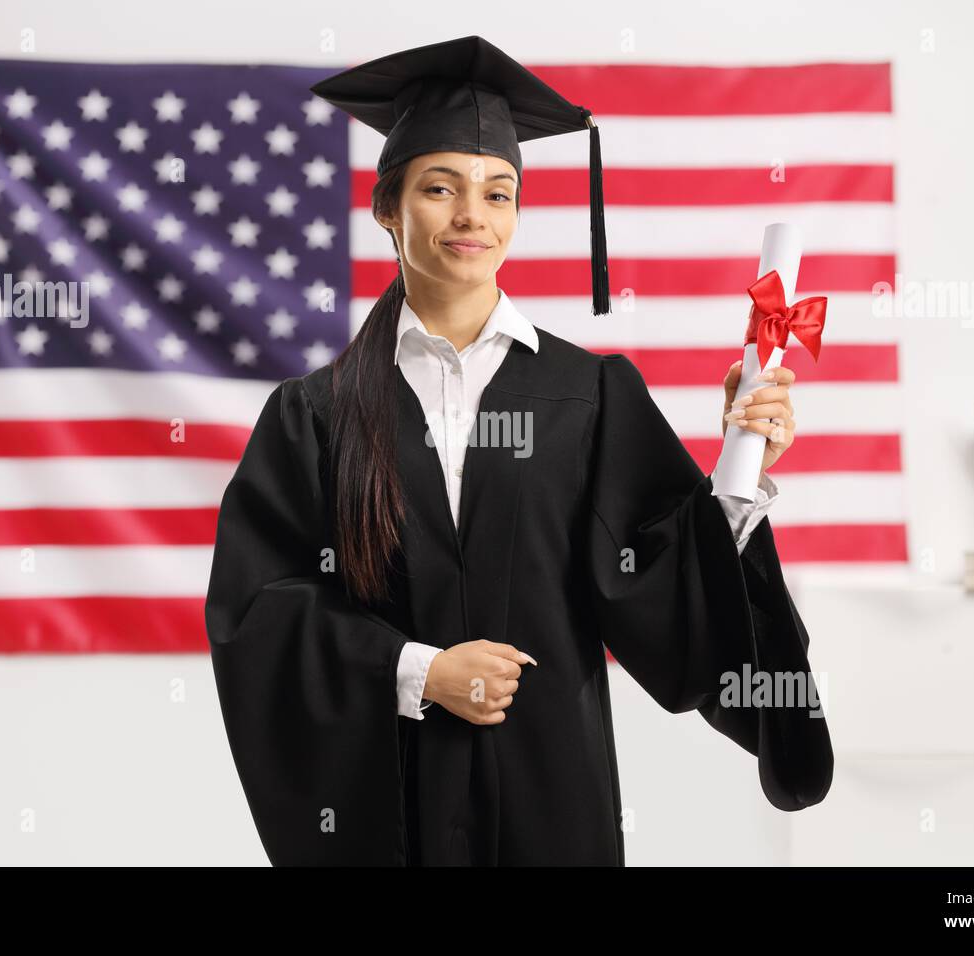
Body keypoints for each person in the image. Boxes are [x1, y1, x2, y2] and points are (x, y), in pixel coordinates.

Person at [204, 35, 833, 866]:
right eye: (440, 189)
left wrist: (739, 470)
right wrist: (417, 670)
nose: (473, 216)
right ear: (387, 209)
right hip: (392, 811)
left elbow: (657, 581)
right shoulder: (314, 415)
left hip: (553, 799)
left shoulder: (590, 395)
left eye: (499, 193)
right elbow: (258, 613)